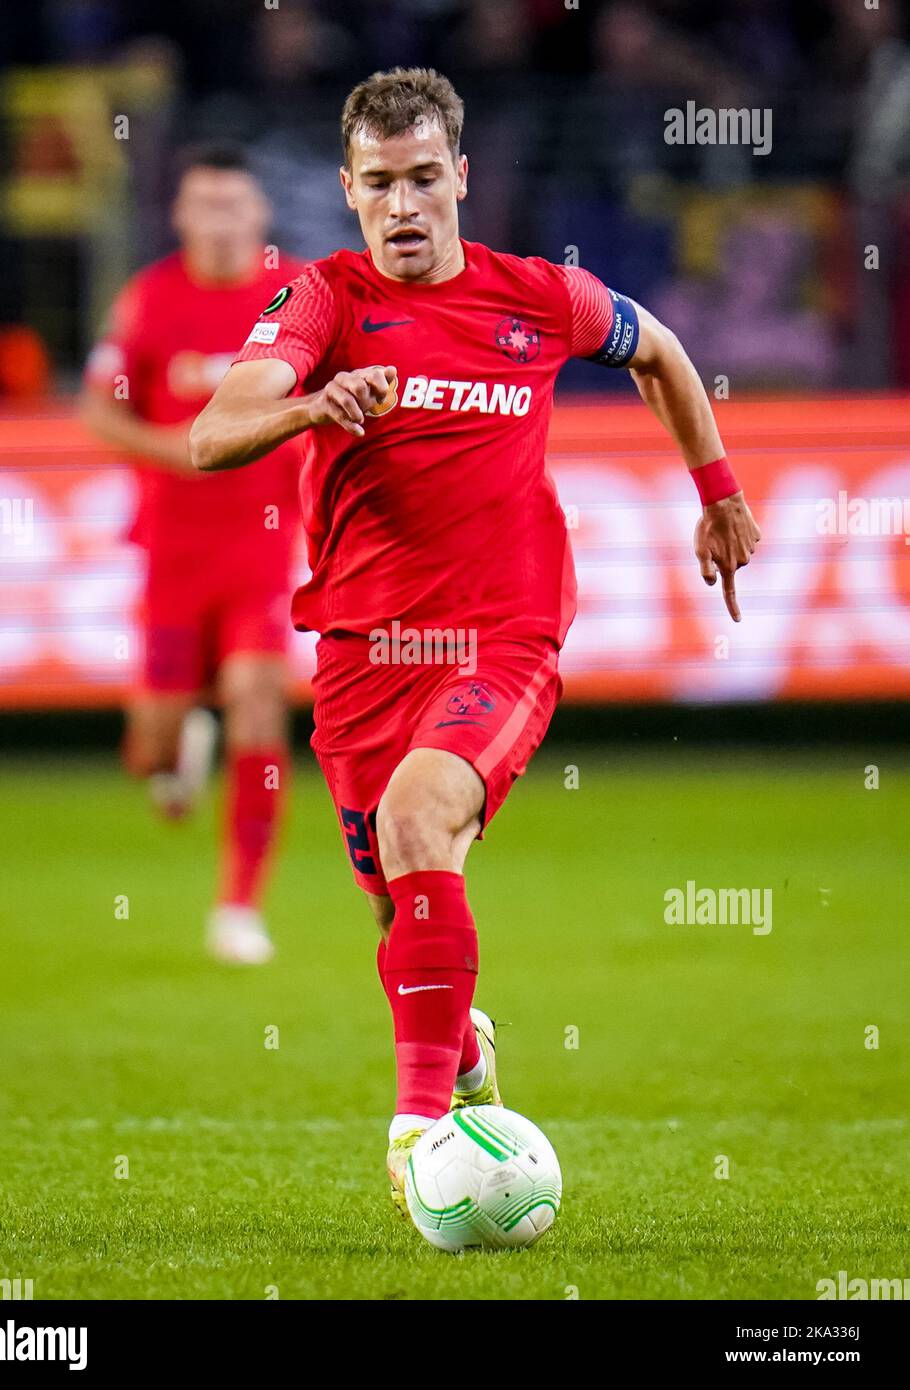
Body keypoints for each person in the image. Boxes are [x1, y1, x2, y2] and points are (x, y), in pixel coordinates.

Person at [189, 69, 761, 1207]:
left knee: (416, 818)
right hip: (357, 657)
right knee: (398, 895)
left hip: (500, 639)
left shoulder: (540, 298)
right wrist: (312, 402)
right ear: (348, 192)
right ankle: (460, 1060)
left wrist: (717, 488)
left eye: (421, 181)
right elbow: (214, 432)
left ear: (459, 176)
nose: (403, 207)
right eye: (378, 187)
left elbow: (660, 354)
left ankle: (416, 1135)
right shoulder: (322, 302)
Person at [80, 142, 304, 965]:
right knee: (153, 747)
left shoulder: (295, 296)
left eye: (232, 205)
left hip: (262, 546)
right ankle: (180, 752)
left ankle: (239, 907)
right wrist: (174, 450)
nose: (218, 222)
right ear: (179, 215)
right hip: (172, 551)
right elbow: (99, 411)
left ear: (259, 214)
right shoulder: (149, 300)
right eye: (202, 205)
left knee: (257, 699)